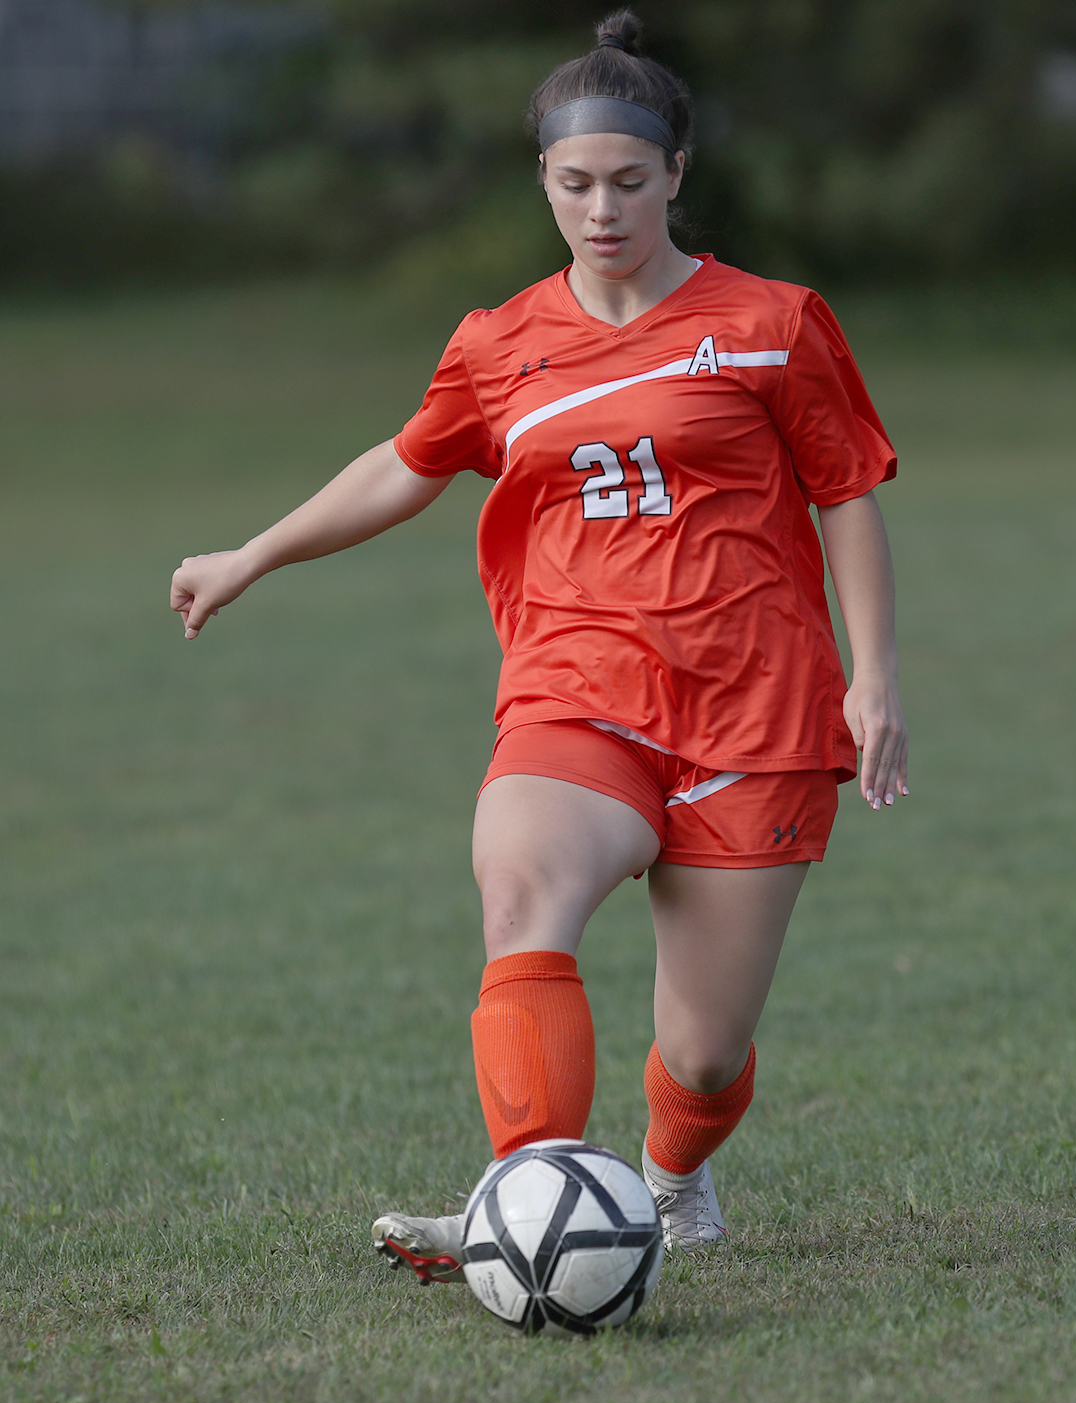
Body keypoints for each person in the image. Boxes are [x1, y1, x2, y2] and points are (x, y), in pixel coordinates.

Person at [169, 10, 908, 1274]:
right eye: (575, 185)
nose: (603, 209)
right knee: (522, 888)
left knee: (706, 1052)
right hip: (577, 686)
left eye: (630, 181)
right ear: (544, 182)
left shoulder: (777, 323)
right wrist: (252, 553)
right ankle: (523, 1201)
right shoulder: (498, 344)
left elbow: (846, 490)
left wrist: (877, 678)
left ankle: (672, 1173)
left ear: (678, 173)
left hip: (758, 709)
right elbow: (404, 467)